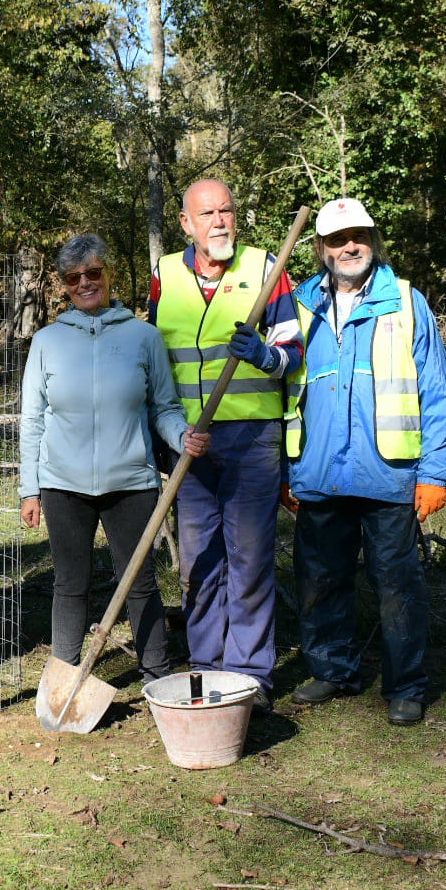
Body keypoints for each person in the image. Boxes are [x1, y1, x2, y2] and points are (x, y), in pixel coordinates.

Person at [283, 197, 446, 726]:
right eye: (337, 240)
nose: (349, 247)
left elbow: (435, 390)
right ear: (321, 248)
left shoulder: (405, 303)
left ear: (372, 239)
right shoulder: (297, 306)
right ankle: (333, 670)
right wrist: (284, 471)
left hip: (389, 475)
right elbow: (278, 396)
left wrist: (435, 473)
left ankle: (405, 685)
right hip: (316, 474)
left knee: (398, 586)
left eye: (357, 236)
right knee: (319, 580)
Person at [19, 234, 208, 680]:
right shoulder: (47, 342)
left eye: (93, 273)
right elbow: (32, 420)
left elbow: (164, 407)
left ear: (109, 275)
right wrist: (30, 488)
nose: (85, 283)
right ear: (63, 286)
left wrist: (182, 436)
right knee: (70, 585)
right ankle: (63, 678)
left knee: (140, 583)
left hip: (132, 483)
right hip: (62, 485)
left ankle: (156, 676)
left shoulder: (143, 337)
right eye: (74, 277)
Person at [150, 178, 303, 710]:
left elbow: (292, 350)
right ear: (187, 225)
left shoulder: (264, 270)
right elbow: (154, 359)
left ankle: (248, 676)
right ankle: (206, 668)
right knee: (198, 562)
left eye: (227, 211)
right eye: (207, 213)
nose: (220, 221)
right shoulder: (165, 275)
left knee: (251, 559)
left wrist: (265, 356)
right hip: (189, 441)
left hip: (251, 438)